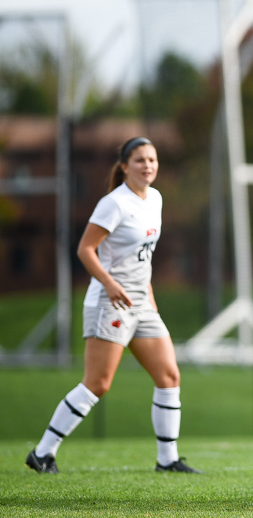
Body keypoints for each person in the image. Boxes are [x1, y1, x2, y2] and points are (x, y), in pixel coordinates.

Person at [25, 137, 201, 475]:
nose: (147, 165)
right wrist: (110, 284)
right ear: (124, 166)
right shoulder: (114, 203)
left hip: (142, 304)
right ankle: (43, 453)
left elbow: (143, 257)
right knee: (98, 383)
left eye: (152, 159)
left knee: (168, 376)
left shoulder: (156, 198)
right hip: (110, 302)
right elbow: (85, 250)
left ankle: (167, 461)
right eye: (139, 160)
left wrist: (148, 295)